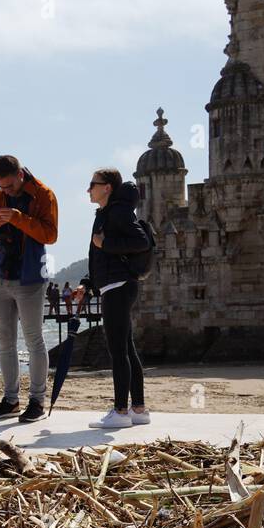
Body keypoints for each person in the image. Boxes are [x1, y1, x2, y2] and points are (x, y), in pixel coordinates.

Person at [0, 154, 58, 424]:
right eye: (1, 187)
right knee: (4, 341)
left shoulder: (44, 194)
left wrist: (18, 218)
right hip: (1, 274)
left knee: (34, 340)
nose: (6, 191)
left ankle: (37, 401)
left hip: (31, 275)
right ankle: (10, 400)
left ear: (20, 175)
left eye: (10, 186)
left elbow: (50, 235)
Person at [83, 168, 154, 430]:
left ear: (107, 188)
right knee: (127, 349)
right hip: (113, 285)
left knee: (118, 351)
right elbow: (100, 257)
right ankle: (138, 409)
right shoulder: (105, 213)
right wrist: (88, 283)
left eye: (92, 184)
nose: (88, 189)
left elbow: (141, 242)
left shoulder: (117, 212)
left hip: (119, 286)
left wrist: (106, 244)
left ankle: (121, 411)